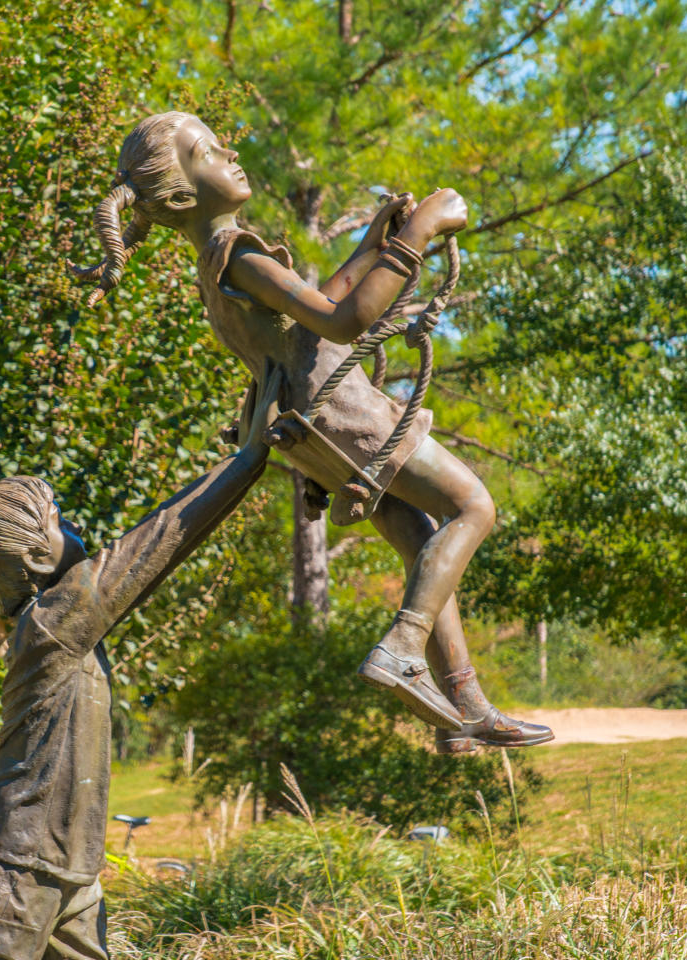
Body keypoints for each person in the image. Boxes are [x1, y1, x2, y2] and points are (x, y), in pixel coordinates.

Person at [73, 111, 552, 754]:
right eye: (210, 150)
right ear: (183, 193)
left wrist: (370, 246)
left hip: (310, 436)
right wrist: (419, 231)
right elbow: (346, 321)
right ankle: (405, 645)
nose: (232, 152)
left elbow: (312, 316)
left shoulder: (218, 265)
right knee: (474, 505)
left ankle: (462, 709)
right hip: (345, 418)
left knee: (420, 541)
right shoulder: (238, 255)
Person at [0, 368, 283, 960]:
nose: (74, 528)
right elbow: (153, 543)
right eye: (59, 520)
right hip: (21, 865)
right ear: (32, 556)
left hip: (66, 864)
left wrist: (238, 457)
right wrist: (248, 459)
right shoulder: (55, 618)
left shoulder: (54, 619)